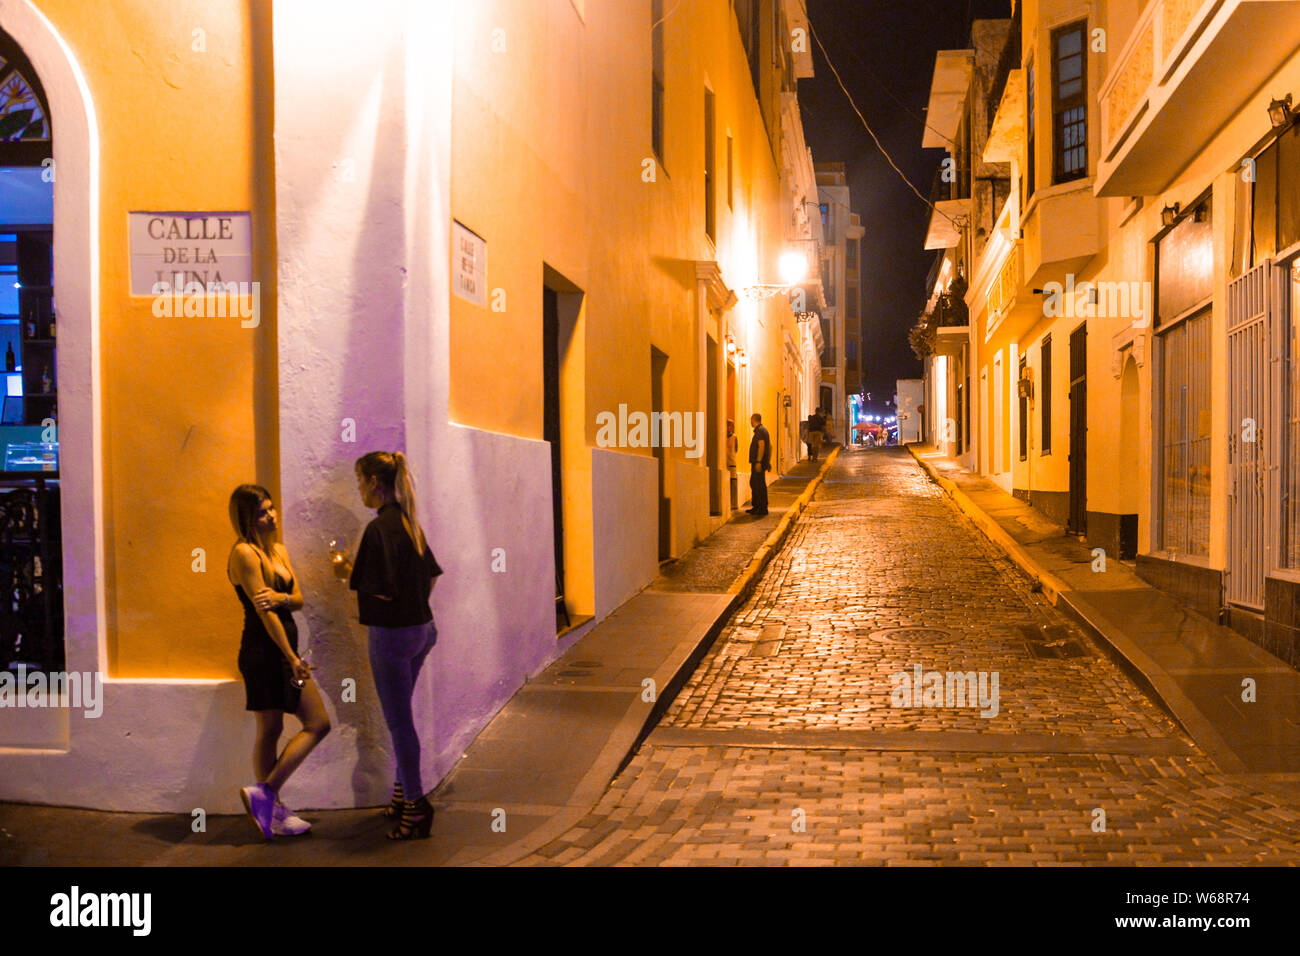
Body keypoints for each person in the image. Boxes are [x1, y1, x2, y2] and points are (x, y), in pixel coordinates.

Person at [339, 451, 442, 840]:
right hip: (423, 631)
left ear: (373, 482)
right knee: (403, 719)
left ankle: (416, 808)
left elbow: (380, 592)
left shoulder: (379, 529)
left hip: (393, 636)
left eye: (359, 482)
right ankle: (402, 794)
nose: (359, 490)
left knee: (400, 725)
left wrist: (345, 572)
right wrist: (415, 608)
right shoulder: (408, 522)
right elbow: (430, 577)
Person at [228, 485, 331, 839]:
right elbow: (265, 613)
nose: (271, 516)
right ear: (246, 518)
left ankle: (266, 798)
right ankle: (270, 803)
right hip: (263, 651)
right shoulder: (244, 553)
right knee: (295, 726)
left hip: (283, 649)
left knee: (311, 724)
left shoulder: (279, 550)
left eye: (271, 509)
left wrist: (282, 596)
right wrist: (291, 657)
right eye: (262, 512)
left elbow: (297, 599)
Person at [748, 412, 771, 516]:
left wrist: (758, 461)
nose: (750, 422)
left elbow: (761, 446)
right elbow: (770, 446)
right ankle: (758, 506)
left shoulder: (759, 431)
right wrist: (768, 461)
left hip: (758, 463)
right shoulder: (763, 430)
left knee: (757, 484)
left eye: (751, 420)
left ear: (754, 419)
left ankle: (760, 507)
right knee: (757, 483)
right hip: (762, 462)